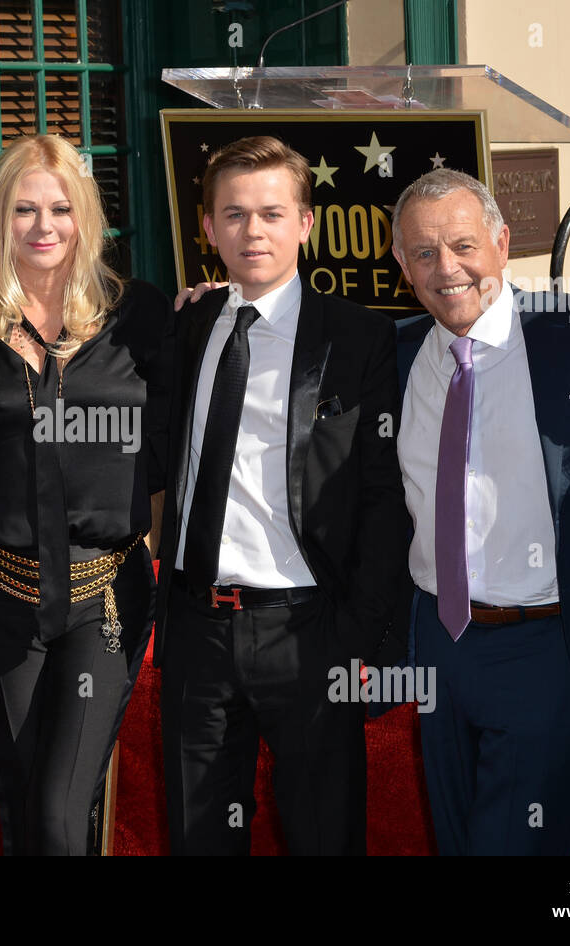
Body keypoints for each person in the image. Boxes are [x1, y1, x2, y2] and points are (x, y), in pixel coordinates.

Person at [155, 135, 409, 856]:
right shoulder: (183, 325)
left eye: (272, 212)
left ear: (305, 223)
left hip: (308, 630)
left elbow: (383, 496)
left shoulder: (359, 338)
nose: (252, 231)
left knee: (324, 835)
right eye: (233, 214)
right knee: (197, 838)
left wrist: (354, 635)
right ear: (207, 229)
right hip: (197, 628)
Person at [0, 134, 172, 855]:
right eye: (25, 209)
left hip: (104, 599)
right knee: (18, 802)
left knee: (59, 815)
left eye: (61, 208)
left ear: (85, 217)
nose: (44, 226)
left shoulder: (144, 314)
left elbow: (172, 443)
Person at [391, 168, 570, 855]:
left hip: (548, 648)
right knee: (458, 839)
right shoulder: (395, 353)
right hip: (439, 644)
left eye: (464, 245)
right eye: (426, 253)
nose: (448, 268)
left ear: (501, 241)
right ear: (402, 264)